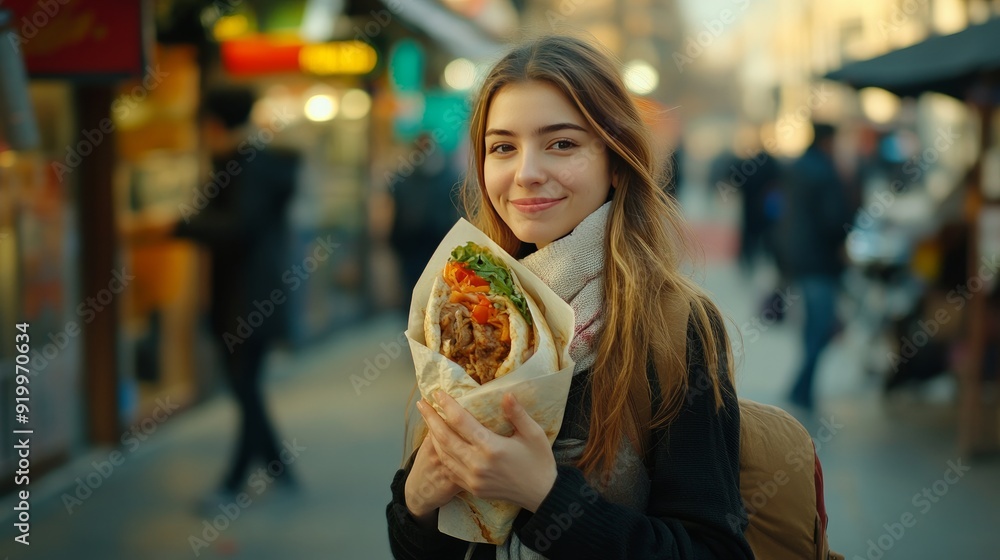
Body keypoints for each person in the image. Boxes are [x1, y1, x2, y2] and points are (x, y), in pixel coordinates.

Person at [386, 35, 752, 559]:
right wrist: (417, 503)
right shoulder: (468, 310)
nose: (527, 173)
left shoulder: (673, 323)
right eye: (503, 147)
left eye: (561, 144)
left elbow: (715, 550)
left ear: (617, 161)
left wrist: (545, 496)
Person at [128, 86, 300, 502]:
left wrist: (177, 226)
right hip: (250, 294)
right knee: (246, 386)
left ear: (215, 125)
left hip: (248, 297)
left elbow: (238, 227)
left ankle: (234, 483)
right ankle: (278, 469)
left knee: (244, 387)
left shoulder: (246, 166)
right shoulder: (251, 163)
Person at [781, 123, 853, 410]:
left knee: (814, 325)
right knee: (821, 326)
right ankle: (801, 388)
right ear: (829, 141)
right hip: (821, 261)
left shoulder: (796, 168)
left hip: (797, 258)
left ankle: (801, 388)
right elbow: (835, 221)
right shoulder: (825, 173)